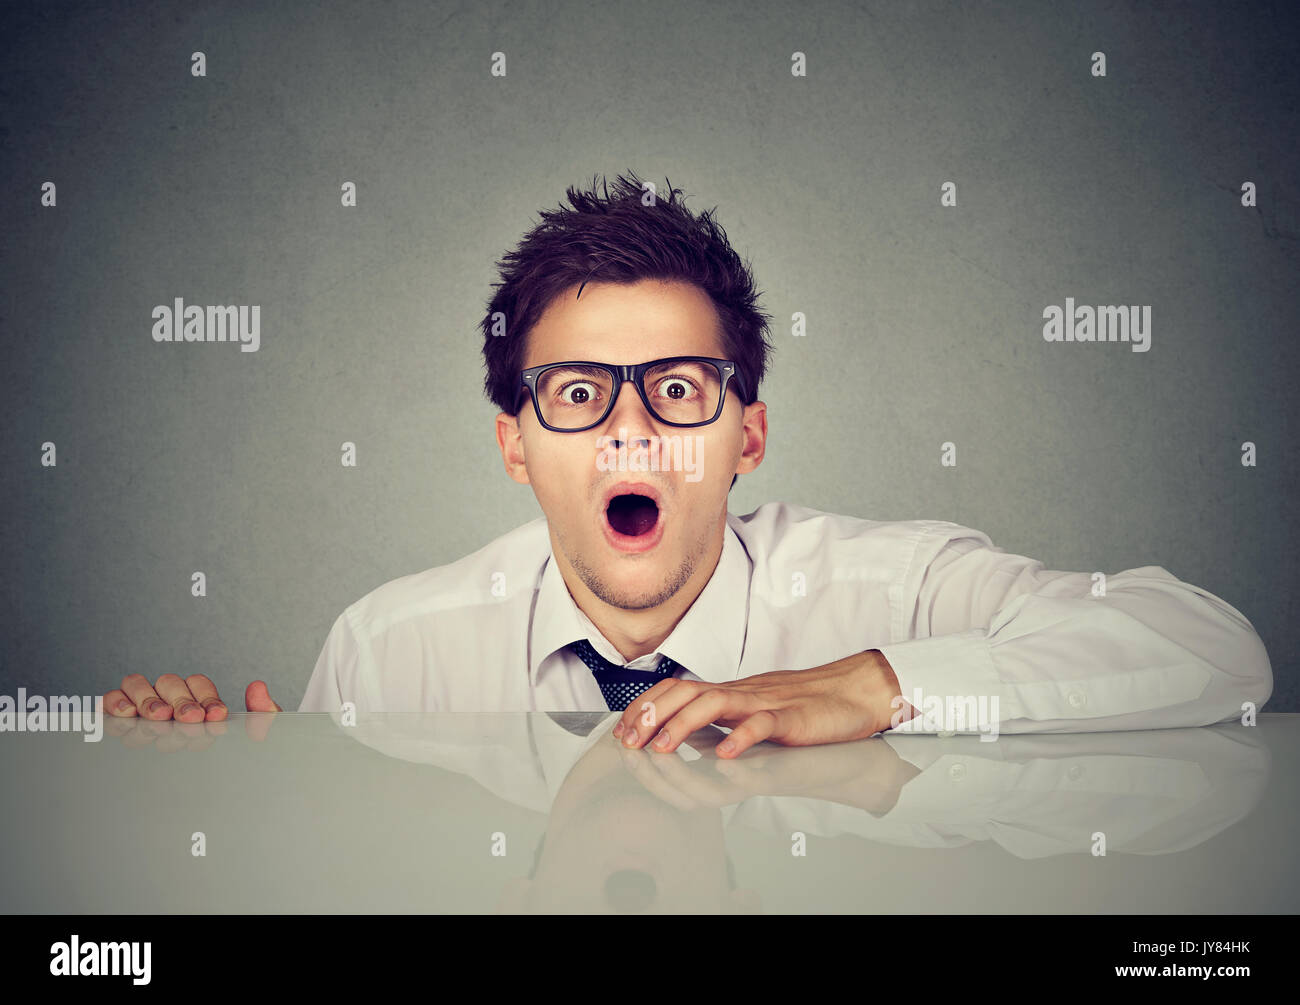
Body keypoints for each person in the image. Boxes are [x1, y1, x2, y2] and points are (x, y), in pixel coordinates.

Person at [102, 171, 1273, 759]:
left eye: (675, 388)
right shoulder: (387, 651)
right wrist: (216, 787)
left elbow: (1214, 651)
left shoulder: (895, 590)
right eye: (576, 393)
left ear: (745, 433)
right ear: (514, 445)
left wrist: (877, 685)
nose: (631, 433)